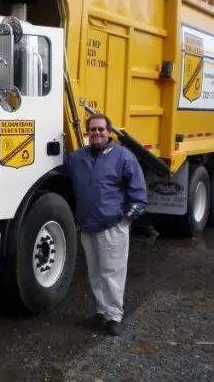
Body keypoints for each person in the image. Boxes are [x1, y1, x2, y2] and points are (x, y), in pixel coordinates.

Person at [61, 114, 147, 336]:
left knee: (112, 273)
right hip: (88, 226)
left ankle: (114, 317)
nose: (96, 133)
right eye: (92, 129)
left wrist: (127, 219)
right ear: (87, 133)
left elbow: (138, 193)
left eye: (101, 129)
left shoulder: (124, 157)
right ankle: (101, 312)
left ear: (109, 132)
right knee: (95, 273)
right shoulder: (77, 158)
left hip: (112, 226)